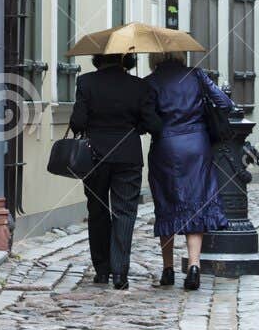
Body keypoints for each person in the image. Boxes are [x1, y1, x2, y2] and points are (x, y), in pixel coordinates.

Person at [69, 52, 163, 290]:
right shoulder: (139, 86)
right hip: (127, 155)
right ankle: (120, 273)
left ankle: (102, 270)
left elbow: (78, 122)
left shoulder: (86, 82)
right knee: (125, 212)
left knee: (98, 210)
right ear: (126, 60)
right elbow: (153, 125)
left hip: (94, 156)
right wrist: (134, 128)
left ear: (98, 58)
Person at [145, 52, 233, 290]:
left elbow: (145, 121)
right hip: (197, 145)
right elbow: (225, 103)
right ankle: (194, 267)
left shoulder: (150, 82)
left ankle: (168, 270)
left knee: (166, 205)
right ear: (180, 55)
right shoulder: (197, 76)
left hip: (166, 146)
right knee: (197, 203)